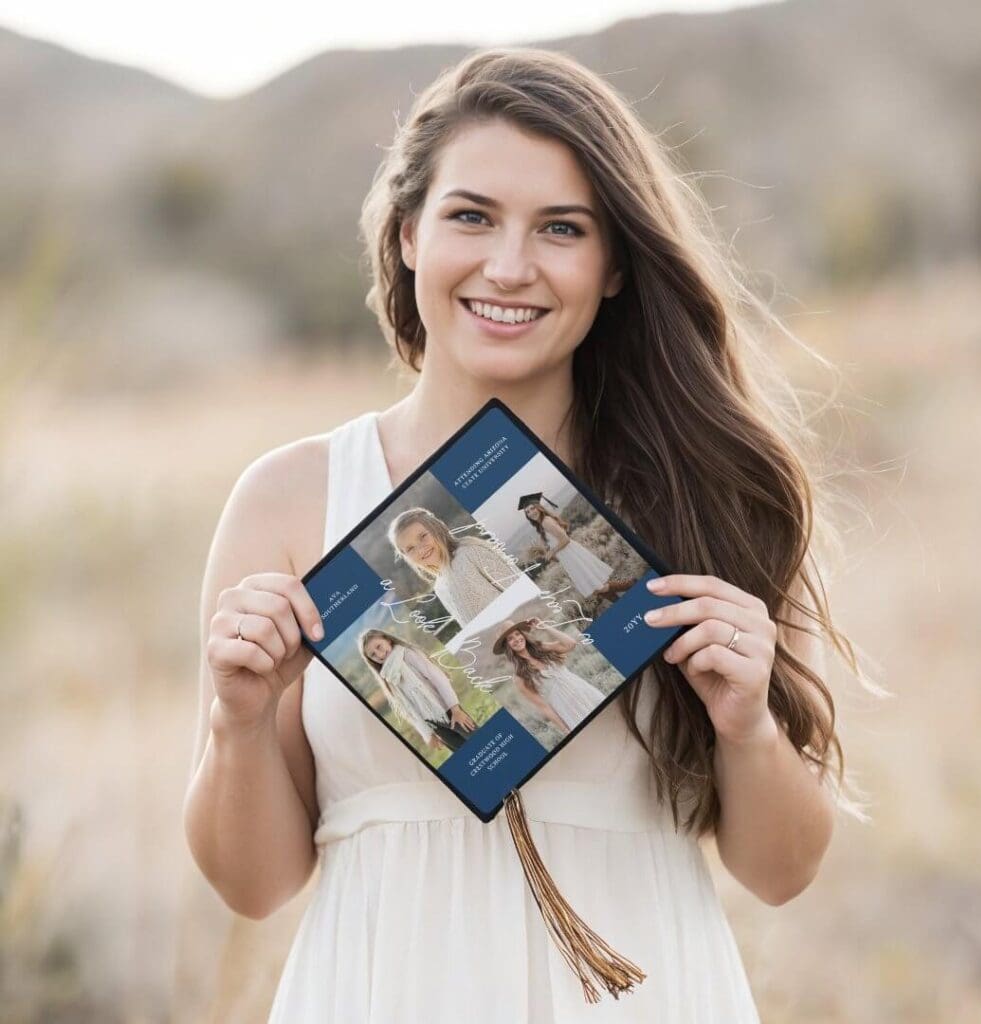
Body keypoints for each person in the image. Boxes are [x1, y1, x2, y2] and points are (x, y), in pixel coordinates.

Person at [184, 46, 868, 1023]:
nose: (509, 266)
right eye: (471, 216)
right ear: (410, 231)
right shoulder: (292, 498)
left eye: (561, 228)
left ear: (617, 263)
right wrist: (237, 721)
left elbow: (783, 871)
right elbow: (252, 887)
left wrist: (747, 724)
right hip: (379, 991)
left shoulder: (701, 494)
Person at [387, 505, 522, 627]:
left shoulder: (470, 551)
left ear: (436, 528)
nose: (420, 549)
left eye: (422, 536)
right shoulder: (440, 587)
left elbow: (517, 587)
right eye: (410, 549)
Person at [359, 628, 478, 751]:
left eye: (379, 646)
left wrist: (455, 709)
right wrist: (428, 735)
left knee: (479, 744)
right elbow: (409, 708)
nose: (379, 654)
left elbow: (438, 678)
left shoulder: (408, 655)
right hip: (434, 724)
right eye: (373, 654)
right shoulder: (388, 678)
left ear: (388, 640)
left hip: (449, 710)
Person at [492, 616, 605, 734]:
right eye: (510, 638)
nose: (516, 639)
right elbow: (543, 706)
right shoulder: (519, 677)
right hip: (568, 709)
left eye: (517, 634)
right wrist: (566, 729)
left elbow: (570, 644)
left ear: (523, 635)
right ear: (507, 646)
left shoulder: (542, 648)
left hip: (583, 691)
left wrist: (545, 627)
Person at [519, 493, 635, 603]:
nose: (530, 512)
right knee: (594, 586)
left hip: (572, 555)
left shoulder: (546, 522)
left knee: (596, 587)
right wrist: (549, 553)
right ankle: (620, 601)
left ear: (539, 507)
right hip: (568, 556)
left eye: (532, 508)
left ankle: (630, 584)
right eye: (527, 512)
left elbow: (565, 539)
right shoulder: (543, 523)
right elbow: (559, 542)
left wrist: (552, 551)